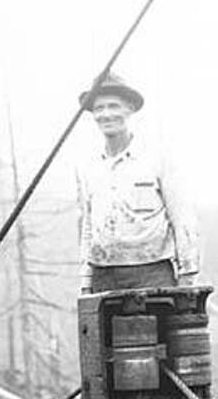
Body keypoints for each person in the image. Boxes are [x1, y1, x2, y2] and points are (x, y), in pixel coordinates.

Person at [76, 73, 200, 293]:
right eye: (99, 108)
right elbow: (87, 225)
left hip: (152, 273)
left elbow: (182, 219)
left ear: (130, 109)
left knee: (158, 328)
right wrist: (86, 281)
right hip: (103, 275)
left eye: (114, 106)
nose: (106, 114)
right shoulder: (88, 167)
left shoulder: (157, 158)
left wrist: (187, 276)